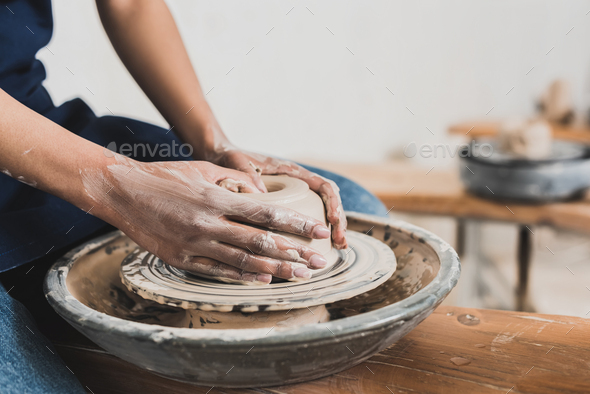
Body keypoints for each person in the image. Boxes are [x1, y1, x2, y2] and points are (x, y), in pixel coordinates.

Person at [0, 0, 388, 392]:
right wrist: (122, 189)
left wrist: (212, 144)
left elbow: (132, 5)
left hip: (31, 120)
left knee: (357, 209)